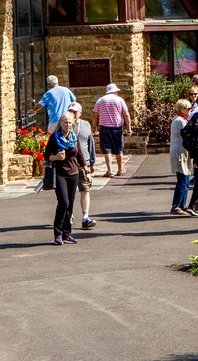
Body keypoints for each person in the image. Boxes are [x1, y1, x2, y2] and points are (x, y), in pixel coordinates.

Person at [43, 111, 87, 245]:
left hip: (73, 173)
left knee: (70, 205)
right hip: (60, 173)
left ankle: (67, 234)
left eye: (69, 122)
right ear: (60, 124)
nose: (67, 125)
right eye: (65, 122)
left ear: (72, 124)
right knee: (64, 202)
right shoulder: (55, 138)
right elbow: (46, 156)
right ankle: (57, 233)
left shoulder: (74, 137)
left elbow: (79, 155)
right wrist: (56, 157)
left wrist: (87, 170)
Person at [69, 100, 98, 229]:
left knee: (85, 189)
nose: (73, 114)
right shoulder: (65, 124)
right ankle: (68, 216)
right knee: (69, 192)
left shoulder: (86, 125)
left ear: (80, 113)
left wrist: (92, 162)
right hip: (69, 163)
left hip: (83, 162)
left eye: (75, 112)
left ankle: (85, 217)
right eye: (71, 111)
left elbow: (90, 143)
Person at [93, 82, 132, 177]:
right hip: (117, 128)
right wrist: (129, 128)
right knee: (118, 149)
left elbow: (95, 115)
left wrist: (94, 126)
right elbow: (126, 114)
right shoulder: (120, 100)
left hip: (104, 128)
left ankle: (109, 170)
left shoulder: (100, 100)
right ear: (114, 92)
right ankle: (120, 169)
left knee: (107, 150)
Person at [168, 98, 194, 214]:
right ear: (181, 109)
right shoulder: (180, 121)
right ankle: (176, 205)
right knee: (182, 179)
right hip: (179, 152)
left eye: (190, 108)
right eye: (187, 108)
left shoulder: (182, 119)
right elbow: (187, 135)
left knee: (186, 179)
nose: (190, 110)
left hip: (183, 151)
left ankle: (182, 204)